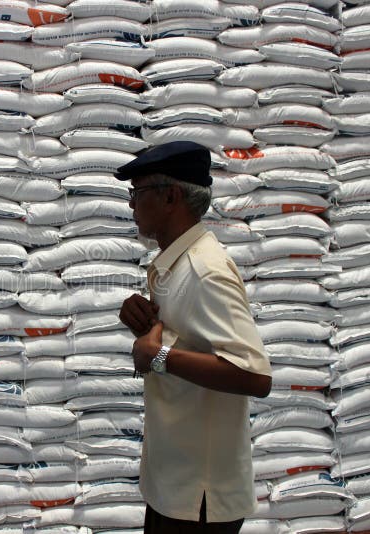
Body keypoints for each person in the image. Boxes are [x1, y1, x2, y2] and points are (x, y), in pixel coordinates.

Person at [116, 141, 272, 533]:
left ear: (170, 197)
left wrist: (159, 356)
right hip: (176, 483)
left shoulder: (206, 270)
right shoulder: (174, 266)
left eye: (138, 193)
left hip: (199, 499)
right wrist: (148, 328)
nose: (132, 205)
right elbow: (190, 342)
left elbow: (255, 376)